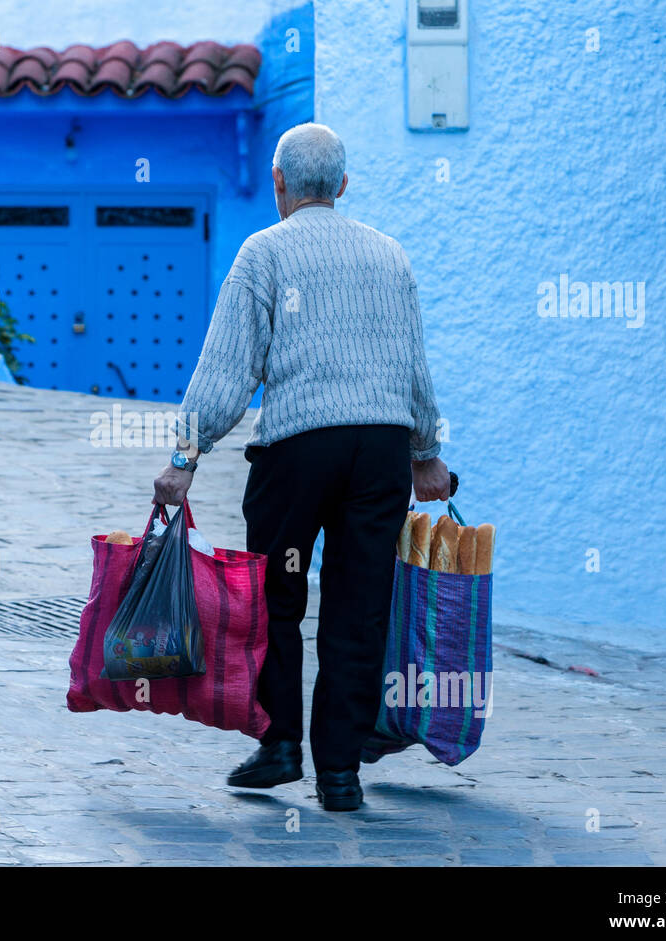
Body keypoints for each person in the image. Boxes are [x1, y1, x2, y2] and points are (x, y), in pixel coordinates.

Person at [152, 122, 450, 811]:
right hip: (379, 453)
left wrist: (184, 458)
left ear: (280, 182)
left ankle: (280, 743)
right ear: (343, 186)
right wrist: (426, 455)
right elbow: (416, 371)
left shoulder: (265, 252)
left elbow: (227, 368)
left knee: (276, 600)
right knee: (359, 608)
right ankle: (340, 774)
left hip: (298, 454)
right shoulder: (389, 255)